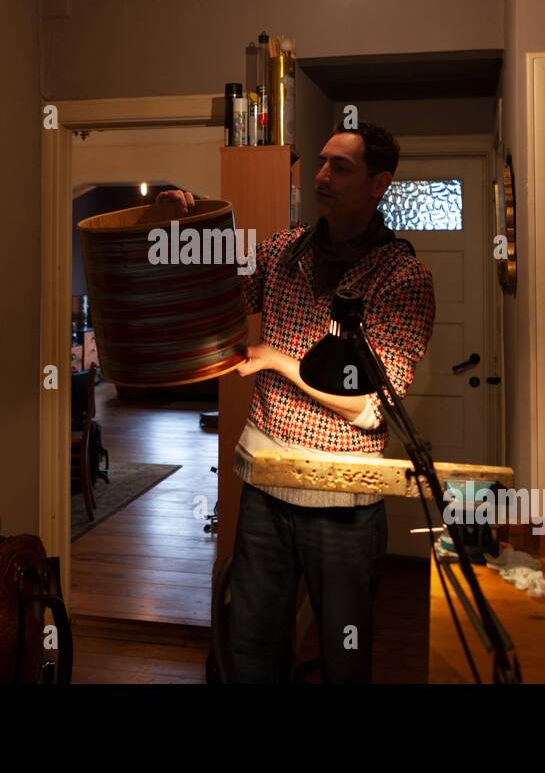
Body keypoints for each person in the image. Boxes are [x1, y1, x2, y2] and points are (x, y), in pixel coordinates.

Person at [157, 121, 435, 683]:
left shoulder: (403, 277)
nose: (322, 175)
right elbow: (212, 289)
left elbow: (371, 407)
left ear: (379, 184)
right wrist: (186, 226)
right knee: (253, 645)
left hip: (344, 501)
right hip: (265, 484)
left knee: (344, 655)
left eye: (341, 167)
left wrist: (280, 359)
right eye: (323, 162)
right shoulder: (284, 252)